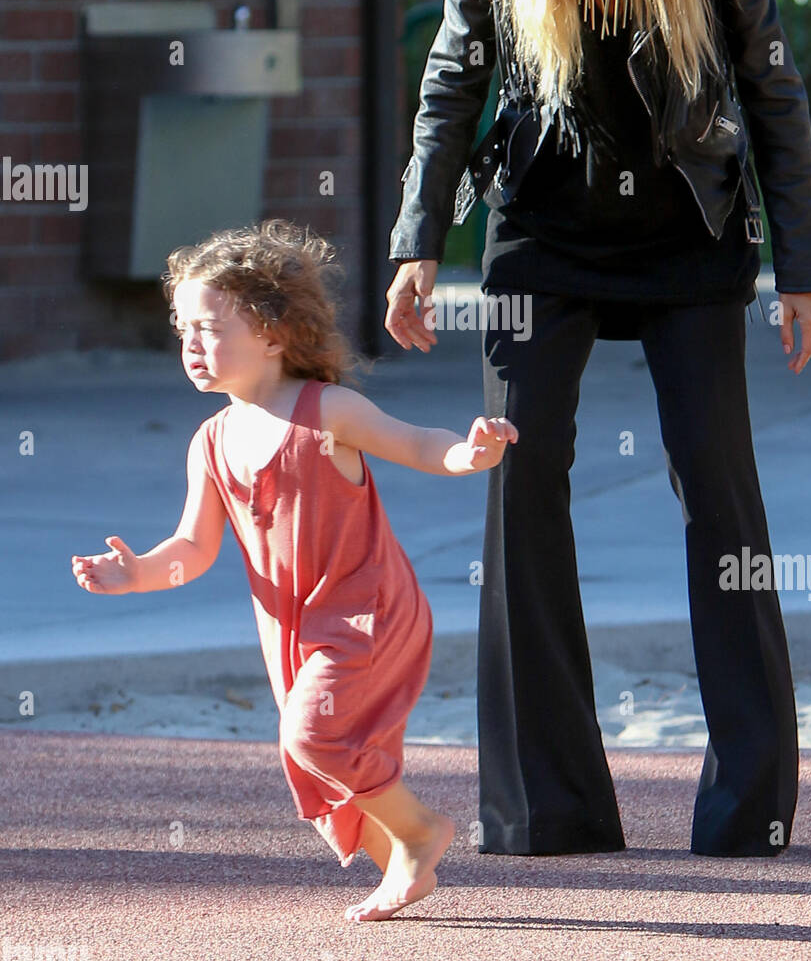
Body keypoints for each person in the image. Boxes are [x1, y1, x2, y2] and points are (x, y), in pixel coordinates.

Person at [386, 0, 811, 859]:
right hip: (543, 233)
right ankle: (549, 809)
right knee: (516, 482)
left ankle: (749, 806)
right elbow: (453, 79)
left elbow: (770, 95)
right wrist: (416, 239)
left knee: (717, 495)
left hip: (686, 237)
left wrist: (803, 268)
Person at [70, 218, 517, 921]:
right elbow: (193, 547)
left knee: (315, 737)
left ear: (275, 334)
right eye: (183, 327)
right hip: (294, 627)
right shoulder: (212, 441)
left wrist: (470, 452)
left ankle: (422, 833)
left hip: (365, 610)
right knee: (316, 757)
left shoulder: (326, 411)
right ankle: (403, 863)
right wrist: (138, 574)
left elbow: (417, 443)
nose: (190, 344)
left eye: (210, 329)